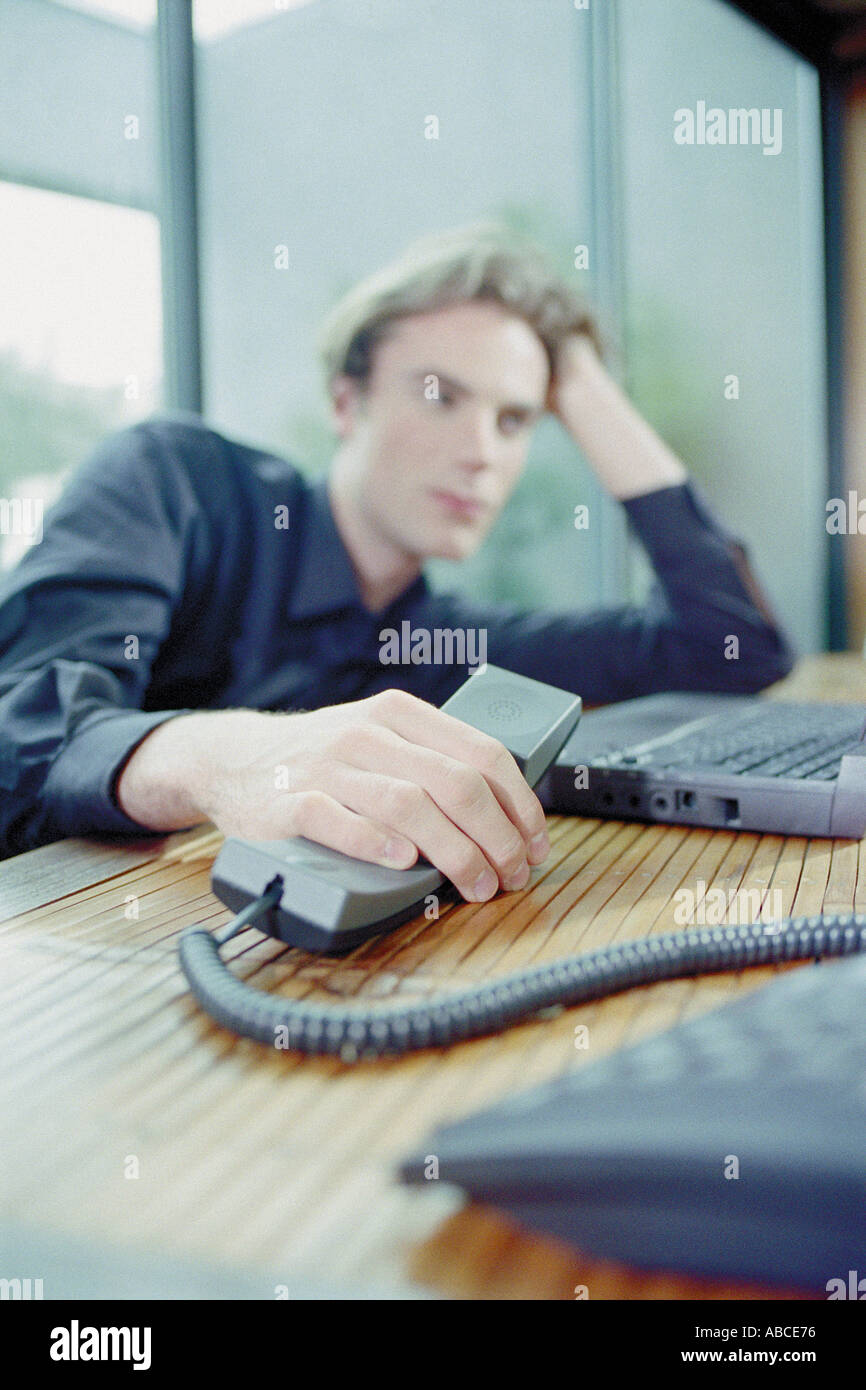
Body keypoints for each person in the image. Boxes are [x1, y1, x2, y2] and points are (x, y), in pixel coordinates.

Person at [0, 223, 794, 899]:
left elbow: (729, 643)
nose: (483, 452)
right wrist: (229, 759)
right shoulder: (174, 481)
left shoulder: (442, 650)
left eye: (516, 419)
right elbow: (19, 734)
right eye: (442, 395)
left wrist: (582, 383)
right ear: (347, 401)